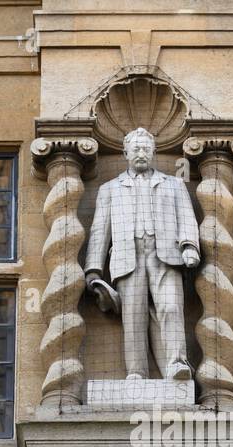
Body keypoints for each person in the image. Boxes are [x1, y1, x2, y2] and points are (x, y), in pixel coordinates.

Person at [85, 127, 201, 381]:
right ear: (125, 153)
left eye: (146, 149)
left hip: (166, 256)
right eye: (136, 149)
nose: (141, 153)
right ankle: (136, 371)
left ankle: (177, 364)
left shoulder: (173, 184)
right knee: (133, 316)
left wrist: (190, 246)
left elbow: (187, 218)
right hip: (128, 257)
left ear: (154, 152)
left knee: (171, 307)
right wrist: (93, 270)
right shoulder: (110, 189)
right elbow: (99, 231)